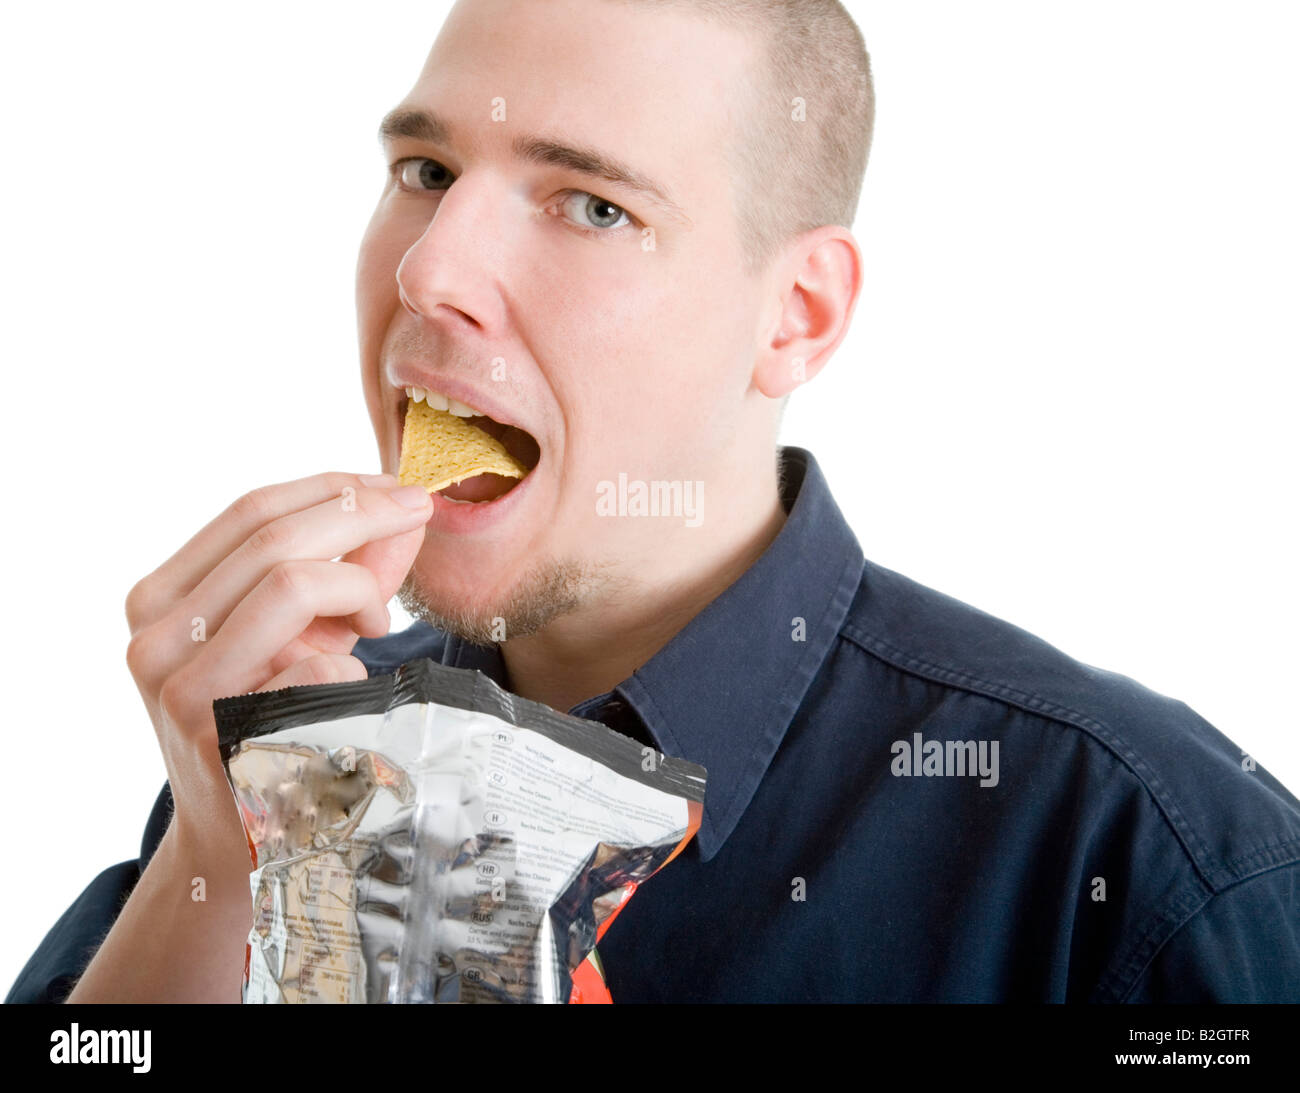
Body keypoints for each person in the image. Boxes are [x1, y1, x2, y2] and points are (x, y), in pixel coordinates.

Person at [8, 0, 1299, 1004]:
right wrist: (215, 864)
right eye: (423, 169)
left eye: (591, 204)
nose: (433, 267)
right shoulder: (291, 757)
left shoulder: (1152, 859)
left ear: (795, 317)